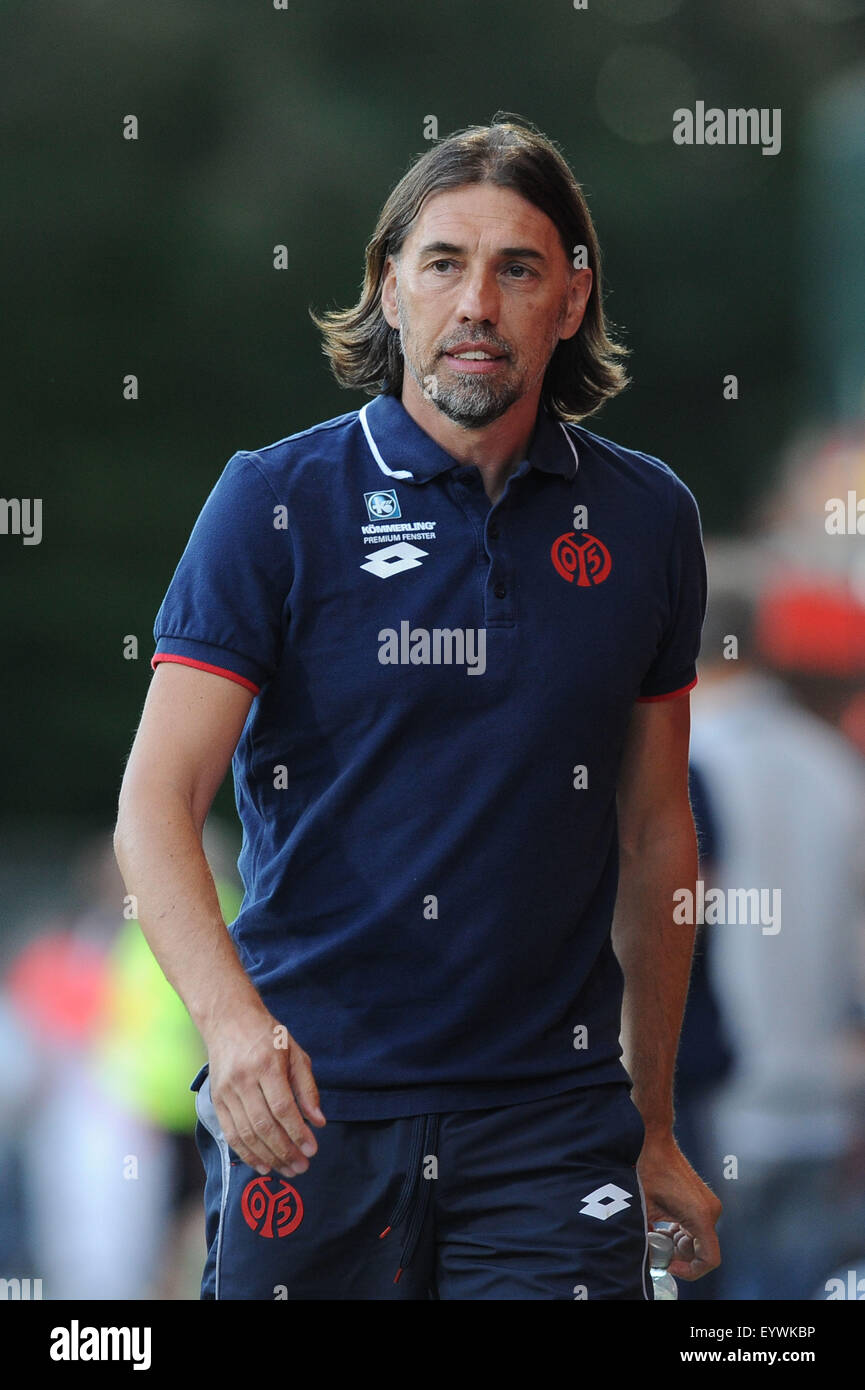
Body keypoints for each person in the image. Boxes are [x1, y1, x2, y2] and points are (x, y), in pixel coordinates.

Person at [113, 117, 721, 1300]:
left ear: (571, 299)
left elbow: (657, 838)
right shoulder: (271, 501)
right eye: (442, 262)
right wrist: (233, 1030)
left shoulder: (649, 520)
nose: (477, 303)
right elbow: (154, 804)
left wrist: (650, 1124)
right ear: (389, 288)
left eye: (519, 267)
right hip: (313, 1110)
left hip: (553, 1126)